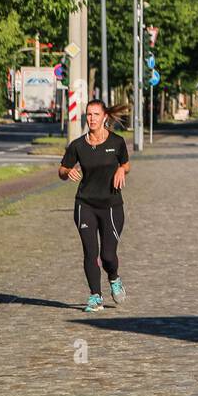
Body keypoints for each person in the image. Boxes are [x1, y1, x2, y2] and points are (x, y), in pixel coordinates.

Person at [59, 99, 132, 312]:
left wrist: (121, 170)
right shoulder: (78, 145)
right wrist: (67, 172)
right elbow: (62, 170)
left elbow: (126, 164)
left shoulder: (116, 142)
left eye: (96, 115)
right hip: (85, 205)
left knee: (108, 255)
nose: (91, 119)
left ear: (104, 117)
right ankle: (95, 296)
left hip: (111, 206)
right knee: (91, 252)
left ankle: (114, 277)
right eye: (89, 115)